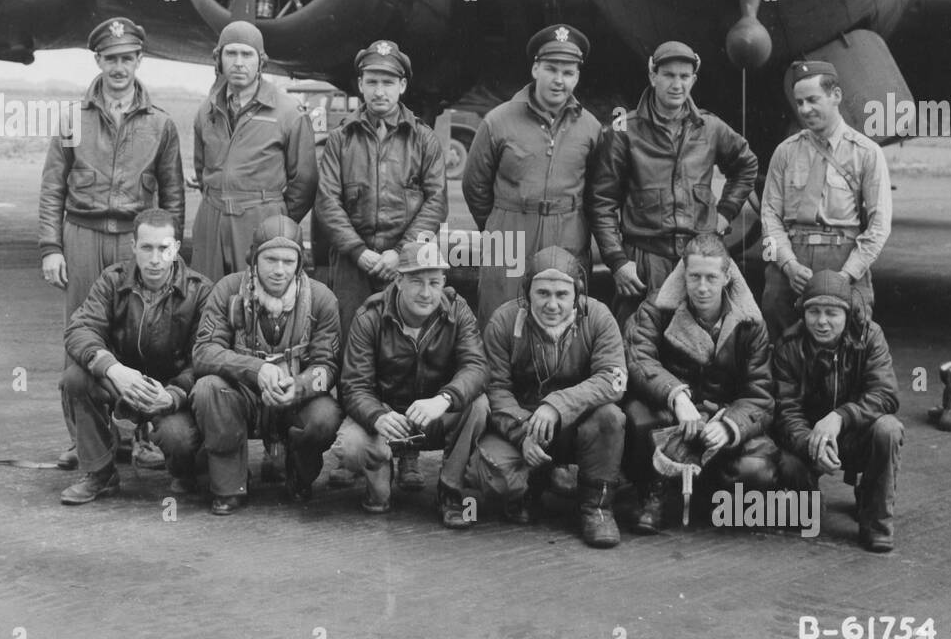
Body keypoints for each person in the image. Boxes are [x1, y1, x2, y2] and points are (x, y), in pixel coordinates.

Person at [39, 16, 185, 470]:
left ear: (139, 60)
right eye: (110, 59)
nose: (119, 67)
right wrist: (50, 247)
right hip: (81, 234)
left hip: (132, 238)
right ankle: (83, 439)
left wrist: (170, 251)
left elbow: (173, 194)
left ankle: (141, 434)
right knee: (80, 333)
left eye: (127, 58)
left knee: (140, 333)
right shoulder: (72, 118)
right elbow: (53, 187)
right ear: (98, 61)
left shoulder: (161, 123)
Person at [590, 41, 758, 326]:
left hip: (698, 257)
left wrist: (725, 213)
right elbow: (601, 202)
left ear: (693, 80)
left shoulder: (710, 127)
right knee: (638, 336)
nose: (677, 84)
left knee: (701, 337)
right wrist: (617, 261)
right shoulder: (624, 131)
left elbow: (747, 165)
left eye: (684, 76)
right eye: (668, 75)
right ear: (652, 76)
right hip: (646, 259)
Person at [468, 247, 627, 548]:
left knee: (610, 417)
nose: (552, 304)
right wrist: (522, 434)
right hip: (524, 422)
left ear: (577, 294)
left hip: (577, 423)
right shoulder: (504, 321)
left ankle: (597, 508)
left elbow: (613, 379)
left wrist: (558, 405)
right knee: (491, 475)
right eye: (542, 293)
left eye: (561, 294)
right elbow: (495, 388)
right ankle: (532, 486)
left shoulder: (598, 317)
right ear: (527, 292)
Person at [622, 233, 778, 534]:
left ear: (727, 276)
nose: (702, 287)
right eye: (694, 276)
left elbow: (760, 394)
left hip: (722, 416)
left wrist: (730, 426)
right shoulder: (657, 308)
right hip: (672, 415)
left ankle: (708, 491)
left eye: (711, 277)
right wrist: (677, 396)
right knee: (637, 417)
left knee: (757, 470)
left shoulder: (751, 323)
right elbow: (638, 358)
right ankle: (651, 492)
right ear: (684, 274)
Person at [190, 216, 343, 515]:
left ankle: (299, 473)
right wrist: (256, 370)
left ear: (299, 264)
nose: (279, 270)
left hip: (293, 397)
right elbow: (204, 353)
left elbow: (328, 366)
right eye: (270, 259)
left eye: (288, 261)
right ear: (254, 259)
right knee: (208, 389)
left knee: (325, 415)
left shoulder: (321, 299)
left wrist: (299, 387)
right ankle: (229, 485)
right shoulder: (228, 290)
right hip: (242, 395)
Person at [58, 209, 212, 505]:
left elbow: (205, 356)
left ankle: (184, 470)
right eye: (146, 247)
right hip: (121, 382)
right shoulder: (112, 280)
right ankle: (100, 473)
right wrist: (113, 369)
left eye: (163, 248)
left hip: (170, 390)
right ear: (133, 247)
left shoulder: (201, 291)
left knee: (179, 440)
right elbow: (80, 329)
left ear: (177, 248)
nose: (155, 259)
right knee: (75, 378)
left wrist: (172, 396)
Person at [337, 240, 489, 524]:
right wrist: (377, 416)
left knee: (478, 405)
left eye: (434, 282)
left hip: (434, 415)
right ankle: (379, 479)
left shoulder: (458, 311)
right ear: (399, 280)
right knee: (352, 445)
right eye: (417, 281)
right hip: (389, 418)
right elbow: (354, 385)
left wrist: (444, 399)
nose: (426, 293)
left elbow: (476, 367)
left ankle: (450, 491)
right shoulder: (370, 316)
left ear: (444, 283)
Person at [462, 24, 603, 327]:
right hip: (510, 230)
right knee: (500, 316)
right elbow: (475, 185)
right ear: (535, 69)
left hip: (567, 232)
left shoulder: (590, 127)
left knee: (561, 319)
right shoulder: (498, 121)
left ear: (577, 76)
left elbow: (595, 191)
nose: (559, 80)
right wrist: (500, 223)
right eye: (551, 69)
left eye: (568, 72)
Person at [314, 39, 448, 338]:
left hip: (407, 262)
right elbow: (327, 201)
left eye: (388, 82)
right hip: (352, 264)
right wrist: (358, 251)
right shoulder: (340, 139)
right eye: (372, 81)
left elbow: (436, 202)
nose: (379, 91)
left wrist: (400, 253)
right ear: (360, 84)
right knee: (350, 339)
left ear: (402, 86)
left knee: (402, 342)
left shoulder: (423, 139)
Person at [772, 270, 903, 553]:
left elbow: (885, 394)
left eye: (832, 313)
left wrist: (841, 417)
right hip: (808, 438)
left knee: (889, 429)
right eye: (814, 312)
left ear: (847, 313)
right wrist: (812, 444)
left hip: (855, 432)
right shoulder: (788, 346)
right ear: (803, 312)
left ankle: (876, 521)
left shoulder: (871, 336)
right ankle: (806, 498)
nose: (822, 321)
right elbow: (786, 411)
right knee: (801, 513)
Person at [759, 59, 892, 341]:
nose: (804, 109)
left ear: (836, 96)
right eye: (799, 102)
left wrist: (847, 275)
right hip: (792, 256)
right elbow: (769, 215)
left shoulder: (866, 153)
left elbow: (880, 225)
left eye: (812, 100)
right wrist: (788, 264)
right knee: (779, 333)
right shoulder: (785, 152)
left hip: (843, 258)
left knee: (852, 337)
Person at [190, 21, 318, 286]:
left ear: (261, 62)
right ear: (218, 59)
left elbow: (305, 182)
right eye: (231, 53)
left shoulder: (289, 112)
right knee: (206, 294)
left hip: (260, 219)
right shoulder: (206, 110)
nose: (238, 63)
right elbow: (202, 169)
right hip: (211, 219)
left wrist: (276, 220)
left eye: (246, 54)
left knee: (255, 294)